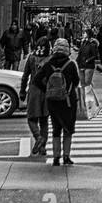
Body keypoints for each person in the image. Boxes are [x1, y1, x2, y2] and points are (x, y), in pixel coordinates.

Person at [35, 38, 81, 166]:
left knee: (56, 129)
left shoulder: (48, 64)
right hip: (68, 102)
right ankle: (66, 156)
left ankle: (56, 157)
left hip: (52, 102)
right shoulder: (71, 65)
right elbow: (76, 82)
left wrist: (47, 90)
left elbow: (36, 80)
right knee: (68, 129)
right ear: (67, 50)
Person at [20, 38, 50, 155]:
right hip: (46, 91)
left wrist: (22, 91)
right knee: (44, 121)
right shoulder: (50, 58)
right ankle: (42, 147)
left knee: (31, 118)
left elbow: (25, 76)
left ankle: (38, 138)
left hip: (34, 90)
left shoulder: (31, 58)